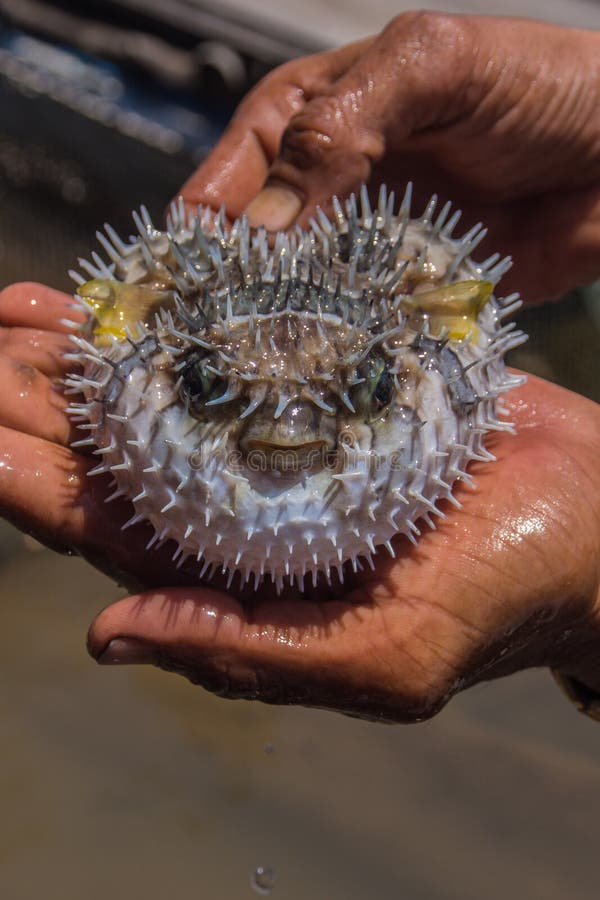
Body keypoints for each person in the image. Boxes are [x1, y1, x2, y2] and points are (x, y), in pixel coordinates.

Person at [1, 11, 600, 722]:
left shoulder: (438, 363)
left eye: (373, 390)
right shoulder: (139, 356)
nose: (290, 427)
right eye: (207, 387)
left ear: (411, 377)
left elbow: (461, 299)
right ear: (162, 372)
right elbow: (115, 302)